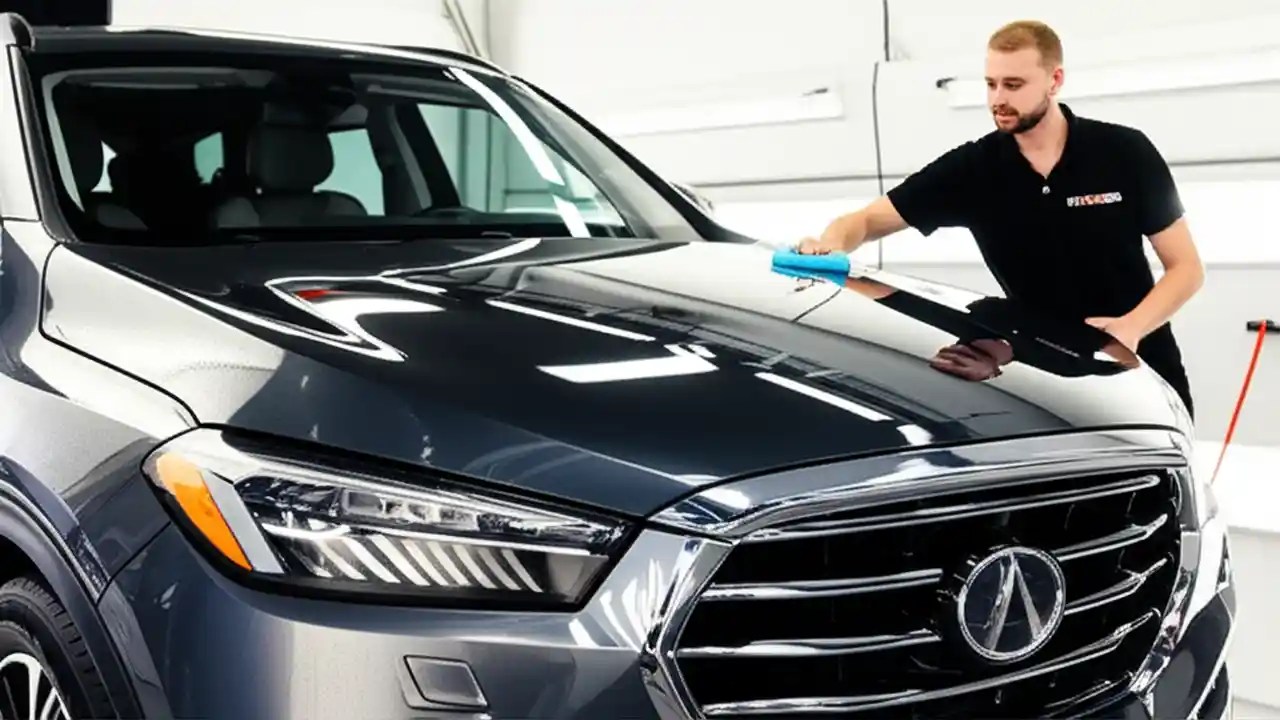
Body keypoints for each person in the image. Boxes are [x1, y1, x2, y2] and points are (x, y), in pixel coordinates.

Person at [798, 20, 1204, 418]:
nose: (997, 99)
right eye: (990, 84)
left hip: (1140, 367)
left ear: (1054, 80)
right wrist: (830, 244)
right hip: (1042, 379)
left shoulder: (1124, 152)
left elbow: (1186, 268)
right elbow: (867, 220)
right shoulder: (973, 170)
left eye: (1013, 85)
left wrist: (1130, 328)